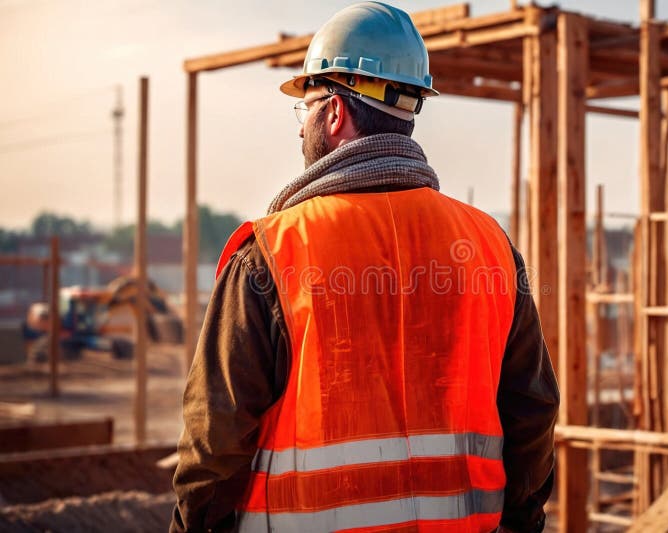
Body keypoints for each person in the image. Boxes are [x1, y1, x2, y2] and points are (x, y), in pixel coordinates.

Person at [170, 2, 559, 532]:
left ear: (333, 112)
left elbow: (214, 447)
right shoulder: (490, 246)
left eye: (304, 107)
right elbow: (531, 412)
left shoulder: (270, 252)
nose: (301, 125)